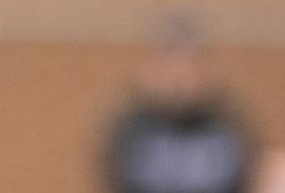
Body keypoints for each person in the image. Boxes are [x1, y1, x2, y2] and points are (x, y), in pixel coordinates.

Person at [105, 15, 254, 193]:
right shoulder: (131, 126)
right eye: (169, 63)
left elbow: (245, 177)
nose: (179, 77)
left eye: (189, 63)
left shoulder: (227, 125)